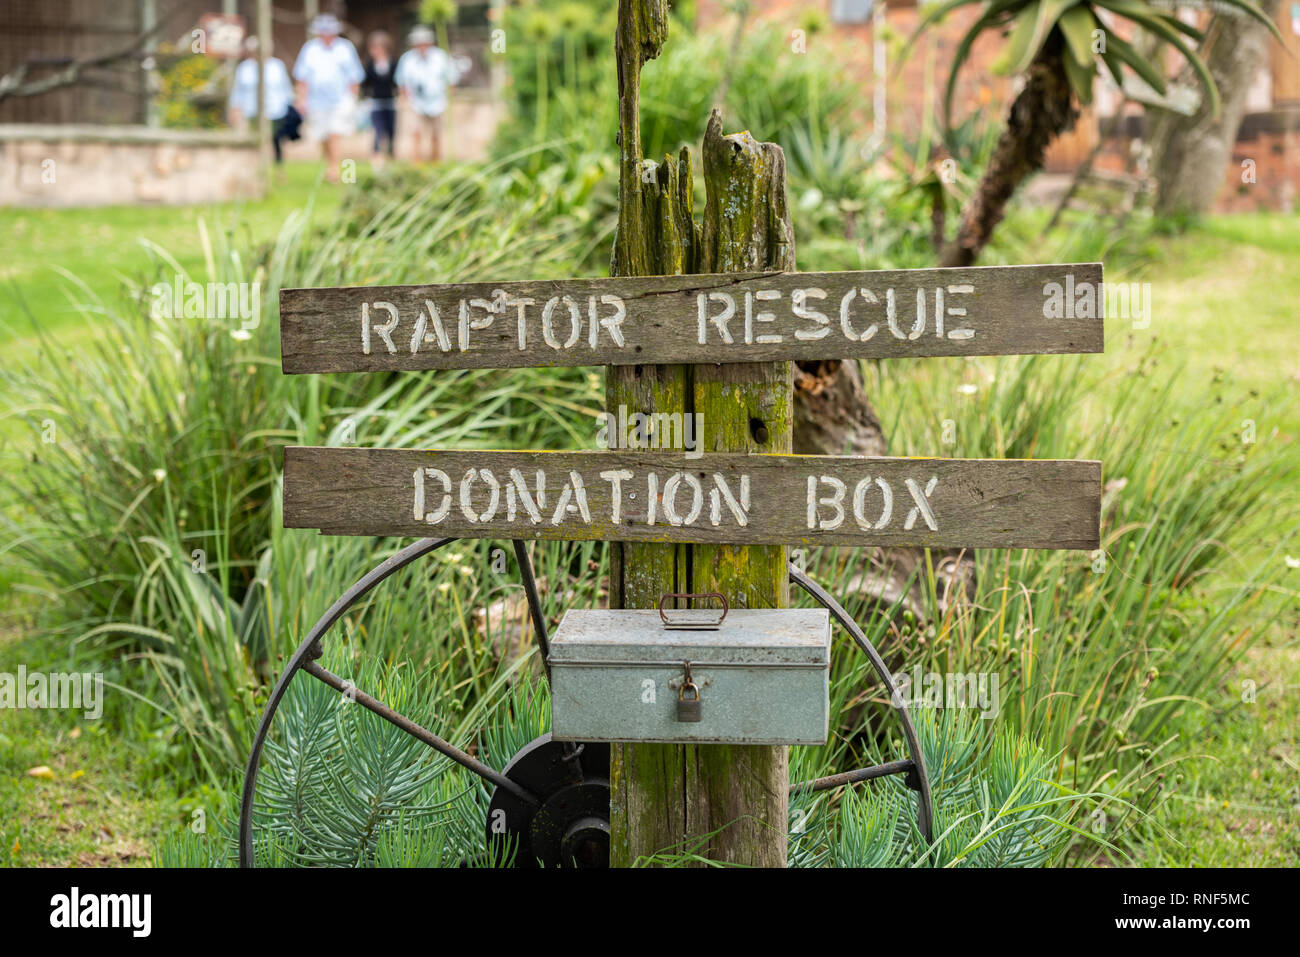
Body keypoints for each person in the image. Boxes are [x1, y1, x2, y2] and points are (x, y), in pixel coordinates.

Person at [292, 13, 364, 182]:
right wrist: (302, 99)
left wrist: (352, 98)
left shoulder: (345, 48)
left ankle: (336, 171)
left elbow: (354, 76)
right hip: (316, 101)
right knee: (323, 136)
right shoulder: (310, 49)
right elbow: (302, 77)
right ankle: (330, 166)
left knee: (335, 133)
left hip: (340, 100)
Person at [395, 25, 463, 164]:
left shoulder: (441, 57)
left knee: (436, 134)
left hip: (438, 102)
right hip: (416, 104)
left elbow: (451, 79)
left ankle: (435, 161)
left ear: (429, 43)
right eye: (418, 44)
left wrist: (450, 97)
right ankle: (417, 162)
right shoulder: (407, 59)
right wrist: (405, 100)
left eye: (424, 43)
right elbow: (401, 82)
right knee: (416, 132)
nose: (421, 47)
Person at [227, 36, 297, 164]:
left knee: (277, 140)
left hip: (276, 110)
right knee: (255, 139)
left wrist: (292, 107)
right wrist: (235, 110)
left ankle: (279, 168)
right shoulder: (244, 68)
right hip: (252, 110)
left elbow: (285, 89)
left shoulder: (276, 66)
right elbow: (237, 92)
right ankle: (257, 165)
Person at [361, 30, 398, 167]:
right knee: (378, 130)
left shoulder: (393, 63)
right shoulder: (370, 64)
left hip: (390, 101)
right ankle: (376, 157)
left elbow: (397, 81)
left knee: (391, 131)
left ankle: (390, 156)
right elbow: (365, 83)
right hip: (376, 102)